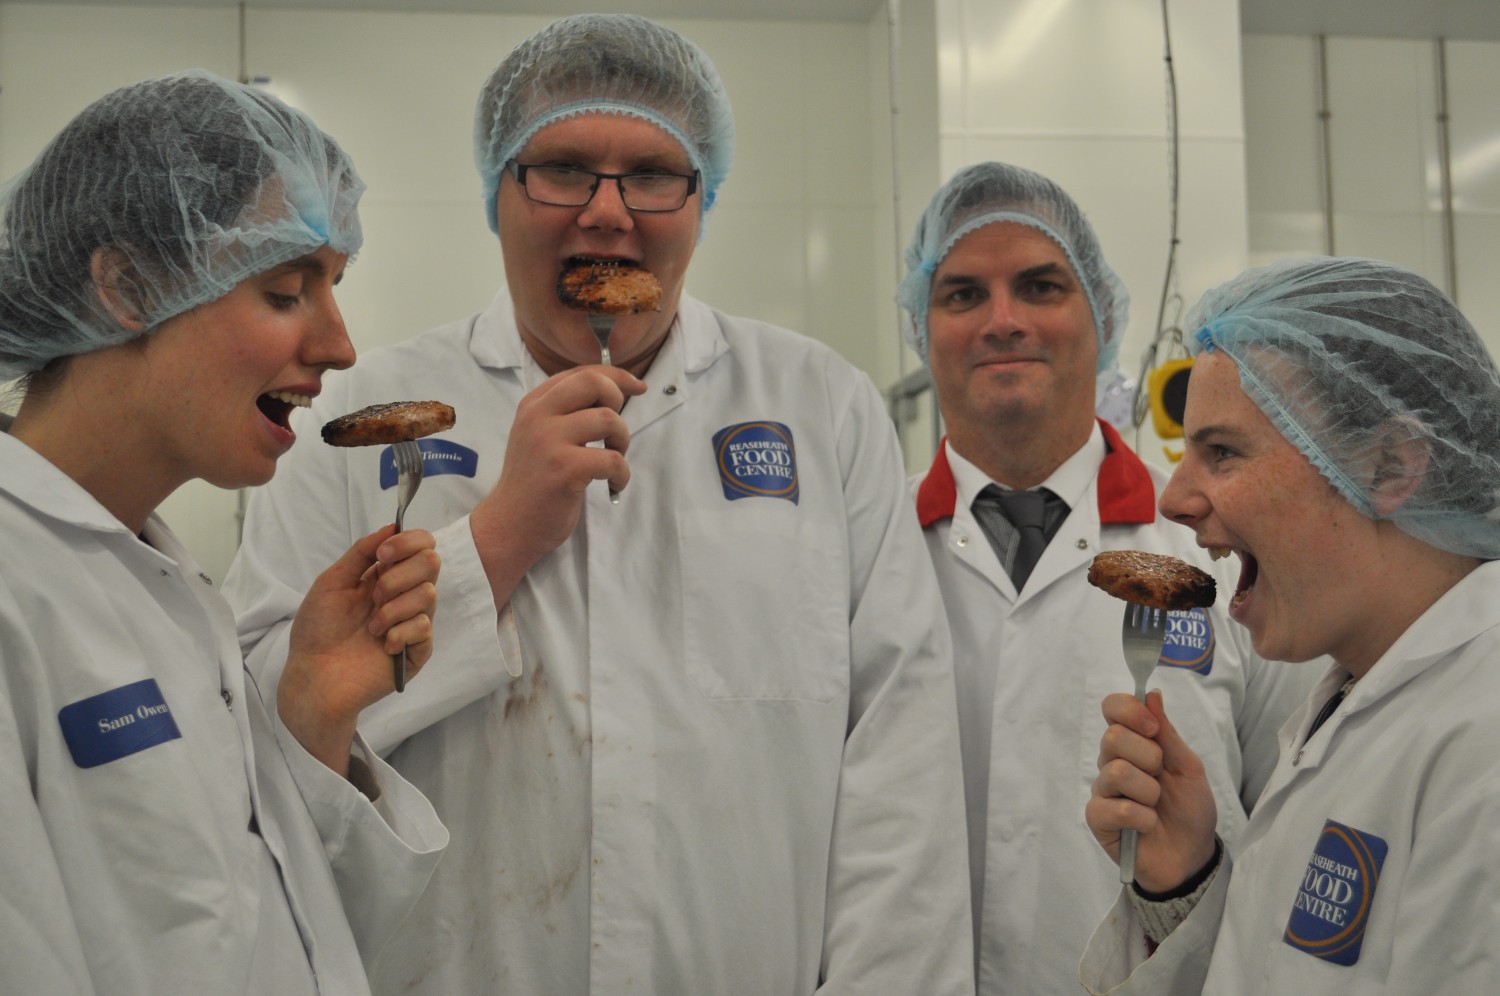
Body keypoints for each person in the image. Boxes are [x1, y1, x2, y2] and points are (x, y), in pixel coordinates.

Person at [224, 14, 973, 995]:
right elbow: (263, 740)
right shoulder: (363, 420)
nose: (609, 213)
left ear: (705, 198)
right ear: (497, 194)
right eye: (563, 168)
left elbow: (902, 759)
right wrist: (491, 544)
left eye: (654, 175)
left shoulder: (820, 408)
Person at [0, 70, 448, 995]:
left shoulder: (164, 588)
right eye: (288, 291)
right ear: (126, 287)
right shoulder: (18, 590)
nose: (341, 346)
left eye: (334, 287)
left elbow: (273, 937)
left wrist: (315, 709)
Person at [896, 161, 1319, 993]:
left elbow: (1299, 824)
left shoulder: (1221, 551)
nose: (1003, 320)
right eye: (962, 295)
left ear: (1103, 317)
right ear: (921, 327)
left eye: (1041, 286)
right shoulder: (860, 550)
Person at [1080, 256, 1500, 993]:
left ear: (1390, 466)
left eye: (1221, 452)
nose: (1173, 498)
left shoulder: (1481, 745)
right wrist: (1185, 881)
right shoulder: (1355, 696)